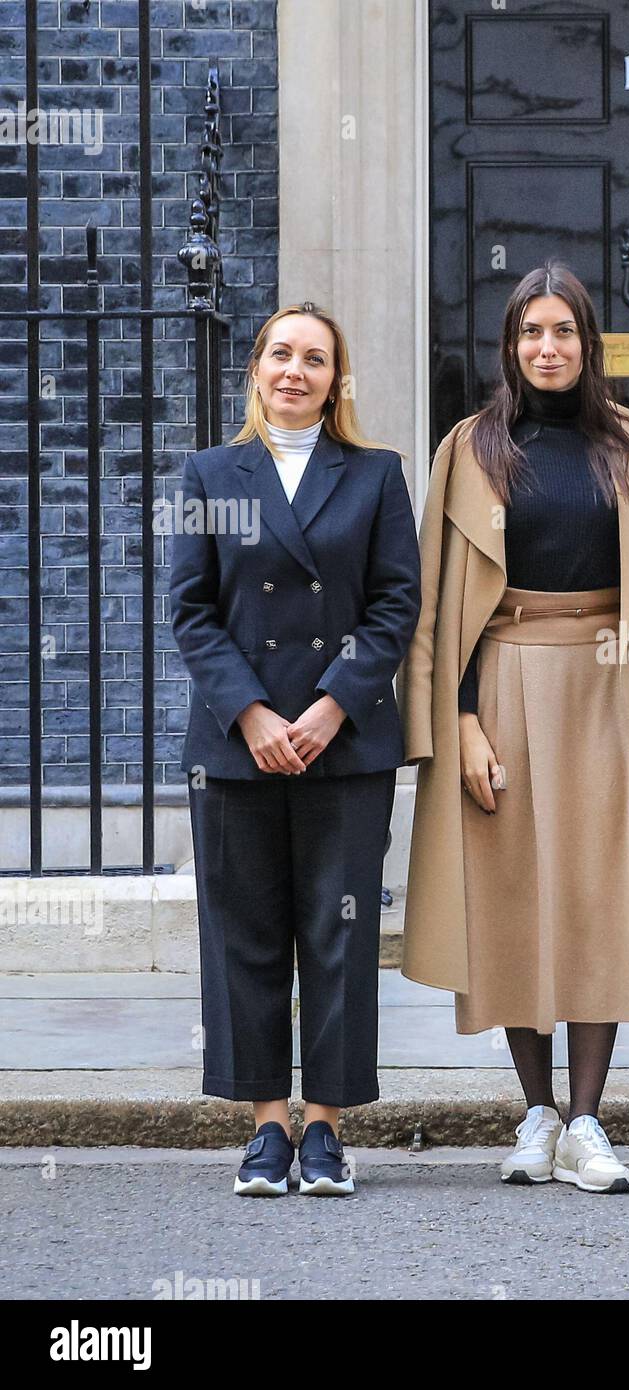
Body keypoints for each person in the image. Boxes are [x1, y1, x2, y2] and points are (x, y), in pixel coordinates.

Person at [399, 262, 629, 1195]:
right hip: (500, 681)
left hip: (619, 690)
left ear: (589, 343)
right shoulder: (467, 448)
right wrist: (457, 721)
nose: (548, 348)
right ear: (511, 345)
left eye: (565, 332)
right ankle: (535, 1112)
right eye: (531, 332)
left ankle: (588, 1118)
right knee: (510, 896)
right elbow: (437, 601)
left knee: (604, 897)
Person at [170, 302, 421, 1196]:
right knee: (245, 935)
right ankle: (266, 1127)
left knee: (338, 935)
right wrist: (251, 714)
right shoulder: (208, 473)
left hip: (342, 747)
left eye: (315, 359)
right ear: (256, 369)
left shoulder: (376, 474)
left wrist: (328, 708)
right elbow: (191, 612)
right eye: (281, 354)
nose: (295, 371)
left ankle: (326, 1130)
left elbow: (396, 605)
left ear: (335, 379)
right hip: (238, 749)